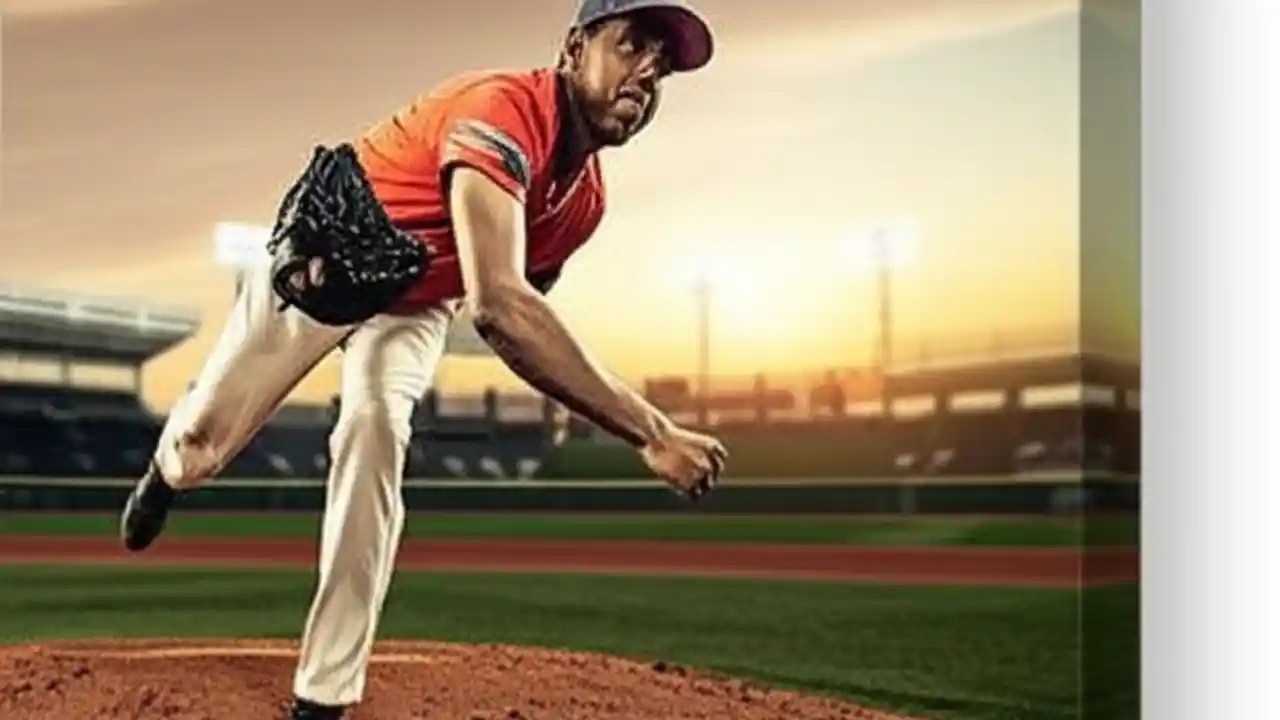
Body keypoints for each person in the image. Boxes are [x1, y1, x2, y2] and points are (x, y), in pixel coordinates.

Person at [117, 1, 727, 718]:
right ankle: (166, 474)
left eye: (663, 64)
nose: (649, 70)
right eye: (631, 45)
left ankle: (324, 693)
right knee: (201, 448)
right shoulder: (503, 109)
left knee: (377, 429)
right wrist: (652, 432)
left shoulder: (584, 205)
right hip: (333, 254)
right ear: (572, 49)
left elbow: (516, 312)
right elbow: (501, 307)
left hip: (417, 299)